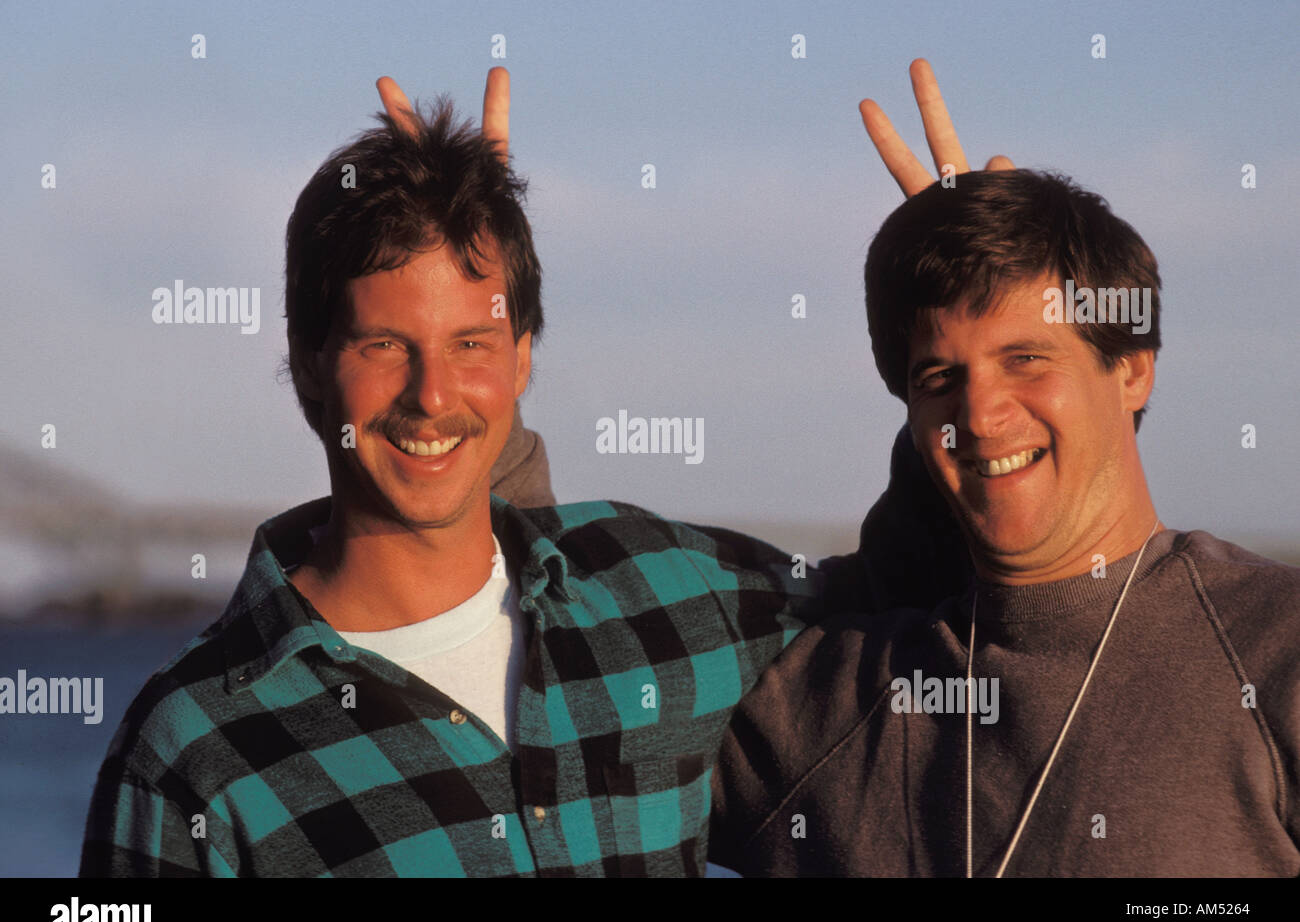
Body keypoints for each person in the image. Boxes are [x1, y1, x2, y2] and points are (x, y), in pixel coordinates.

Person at [79, 70, 814, 877]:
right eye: (385, 344)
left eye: (471, 342)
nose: (431, 396)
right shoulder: (193, 754)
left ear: (523, 355)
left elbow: (907, 610)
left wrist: (961, 282)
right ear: (309, 362)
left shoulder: (655, 593)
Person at [710, 62, 1300, 877]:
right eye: (940, 379)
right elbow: (533, 652)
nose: (982, 415)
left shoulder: (1276, 651)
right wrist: (483, 357)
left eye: (1027, 357)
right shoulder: (820, 700)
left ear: (1131, 368)